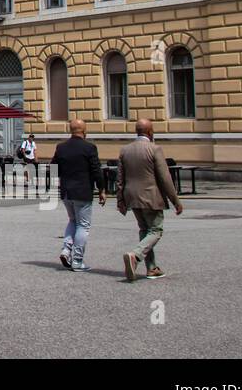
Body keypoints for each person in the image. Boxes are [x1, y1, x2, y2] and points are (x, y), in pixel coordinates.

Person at [117, 117, 183, 281]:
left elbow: (120, 178)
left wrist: (120, 200)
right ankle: (135, 255)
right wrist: (175, 200)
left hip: (131, 196)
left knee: (144, 230)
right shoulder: (154, 149)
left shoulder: (125, 150)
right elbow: (164, 177)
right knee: (155, 230)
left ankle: (151, 267)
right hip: (151, 196)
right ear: (150, 132)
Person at [51, 118, 105, 271]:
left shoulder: (61, 147)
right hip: (82, 191)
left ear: (71, 130)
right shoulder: (89, 148)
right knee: (83, 225)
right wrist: (101, 189)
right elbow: (96, 170)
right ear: (84, 131)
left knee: (73, 221)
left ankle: (66, 250)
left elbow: (54, 167)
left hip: (66, 191)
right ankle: (77, 261)